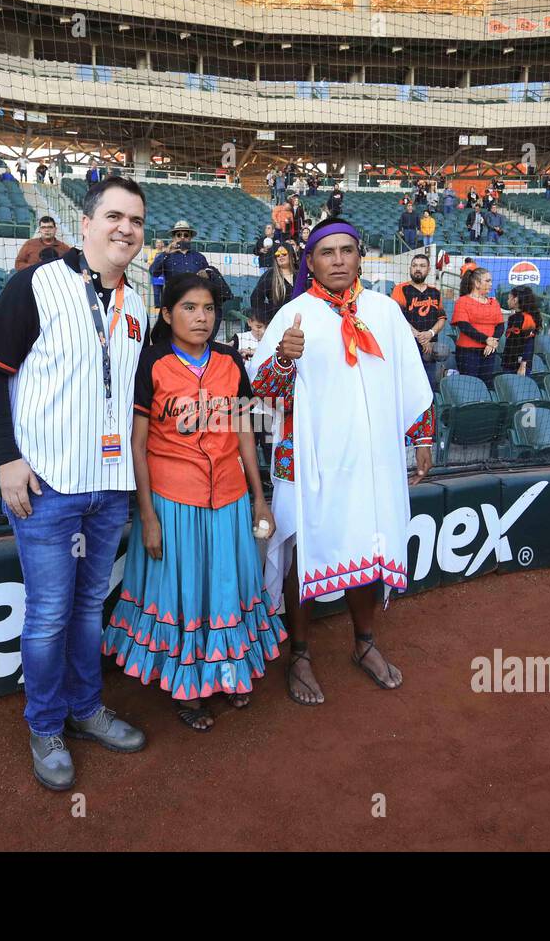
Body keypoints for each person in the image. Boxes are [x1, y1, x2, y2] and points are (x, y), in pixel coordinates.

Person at [0, 176, 150, 790]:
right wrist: (6, 458)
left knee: (86, 611)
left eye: (135, 220)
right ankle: (45, 724)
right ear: (86, 224)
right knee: (49, 613)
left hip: (110, 486)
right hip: (45, 485)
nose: (125, 228)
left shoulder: (141, 301)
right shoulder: (34, 283)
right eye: (114, 216)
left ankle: (84, 708)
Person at [248, 218, 435, 705]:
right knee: (299, 551)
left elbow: (410, 378)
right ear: (309, 262)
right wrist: (284, 358)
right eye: (326, 252)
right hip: (312, 463)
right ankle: (301, 654)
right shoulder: (294, 314)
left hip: (373, 462)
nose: (337, 260)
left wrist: (422, 437)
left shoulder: (385, 312)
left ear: (360, 256)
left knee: (368, 547)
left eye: (345, 250)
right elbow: (262, 394)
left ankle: (365, 643)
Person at [105, 273, 286, 728]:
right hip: (173, 501)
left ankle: (226, 672)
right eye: (189, 308)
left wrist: (258, 498)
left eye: (208, 309)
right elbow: (137, 442)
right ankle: (188, 690)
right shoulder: (152, 362)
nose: (201, 317)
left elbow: (244, 431)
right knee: (185, 595)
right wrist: (146, 514)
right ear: (167, 314)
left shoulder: (229, 360)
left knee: (226, 589)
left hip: (227, 497)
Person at [391, 253, 446, 388]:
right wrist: (421, 337)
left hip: (430, 348)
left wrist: (430, 334)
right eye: (414, 265)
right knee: (408, 387)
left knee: (429, 386)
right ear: (410, 268)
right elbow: (397, 317)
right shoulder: (400, 289)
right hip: (407, 346)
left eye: (422, 266)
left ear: (428, 270)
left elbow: (441, 318)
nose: (417, 269)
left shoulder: (435, 292)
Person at [452, 267, 503, 385]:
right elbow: (464, 326)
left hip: (489, 351)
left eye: (491, 281)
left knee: (485, 385)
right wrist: (487, 340)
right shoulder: (463, 301)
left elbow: (500, 326)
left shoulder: (494, 302)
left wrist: (493, 342)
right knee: (469, 385)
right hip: (468, 353)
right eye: (487, 281)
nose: (491, 284)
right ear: (477, 283)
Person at [149, 220, 211, 286]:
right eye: (179, 235)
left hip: (195, 295)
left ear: (190, 238)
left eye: (186, 235)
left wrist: (207, 274)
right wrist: (165, 253)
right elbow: (153, 272)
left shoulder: (199, 257)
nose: (182, 237)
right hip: (174, 295)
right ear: (174, 238)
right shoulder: (166, 257)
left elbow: (209, 276)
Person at [500, 285, 542, 375]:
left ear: (515, 300)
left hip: (520, 366)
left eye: (509, 298)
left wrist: (523, 365)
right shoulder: (513, 318)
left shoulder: (527, 318)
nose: (507, 301)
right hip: (508, 363)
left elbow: (529, 343)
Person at [250, 244, 298, 322]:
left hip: (299, 321)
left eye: (284, 254)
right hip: (278, 322)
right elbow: (255, 299)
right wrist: (270, 314)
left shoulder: (300, 276)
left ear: (292, 256)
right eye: (277, 255)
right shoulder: (269, 275)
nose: (281, 256)